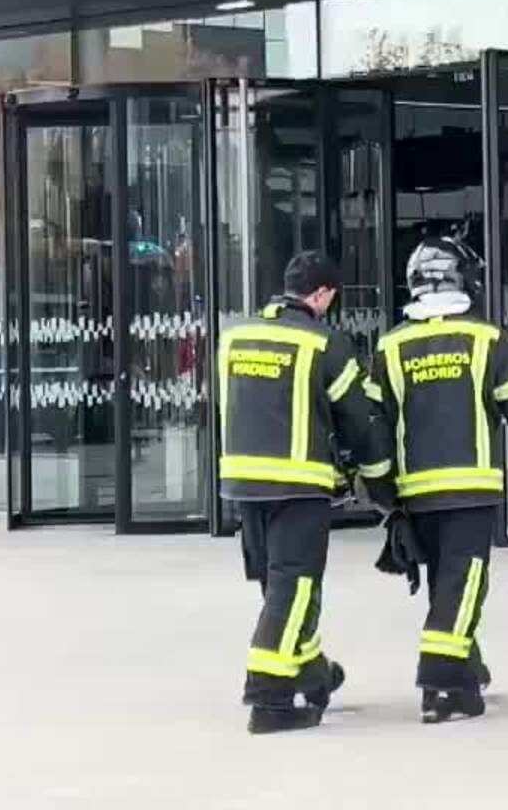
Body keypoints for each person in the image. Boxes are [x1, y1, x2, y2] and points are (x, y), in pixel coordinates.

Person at [371, 238, 508, 723]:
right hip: (470, 486)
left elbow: (372, 425)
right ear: (464, 279)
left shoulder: (390, 345)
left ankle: (465, 671)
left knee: (444, 583)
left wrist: (382, 493)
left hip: (414, 489)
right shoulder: (488, 339)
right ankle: (441, 683)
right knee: (464, 581)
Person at [219, 251, 394, 735]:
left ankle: (312, 670)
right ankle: (268, 697)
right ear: (322, 294)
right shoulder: (323, 344)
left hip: (243, 484)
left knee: (279, 588)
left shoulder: (236, 336)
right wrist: (382, 484)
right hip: (297, 485)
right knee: (294, 587)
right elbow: (360, 421)